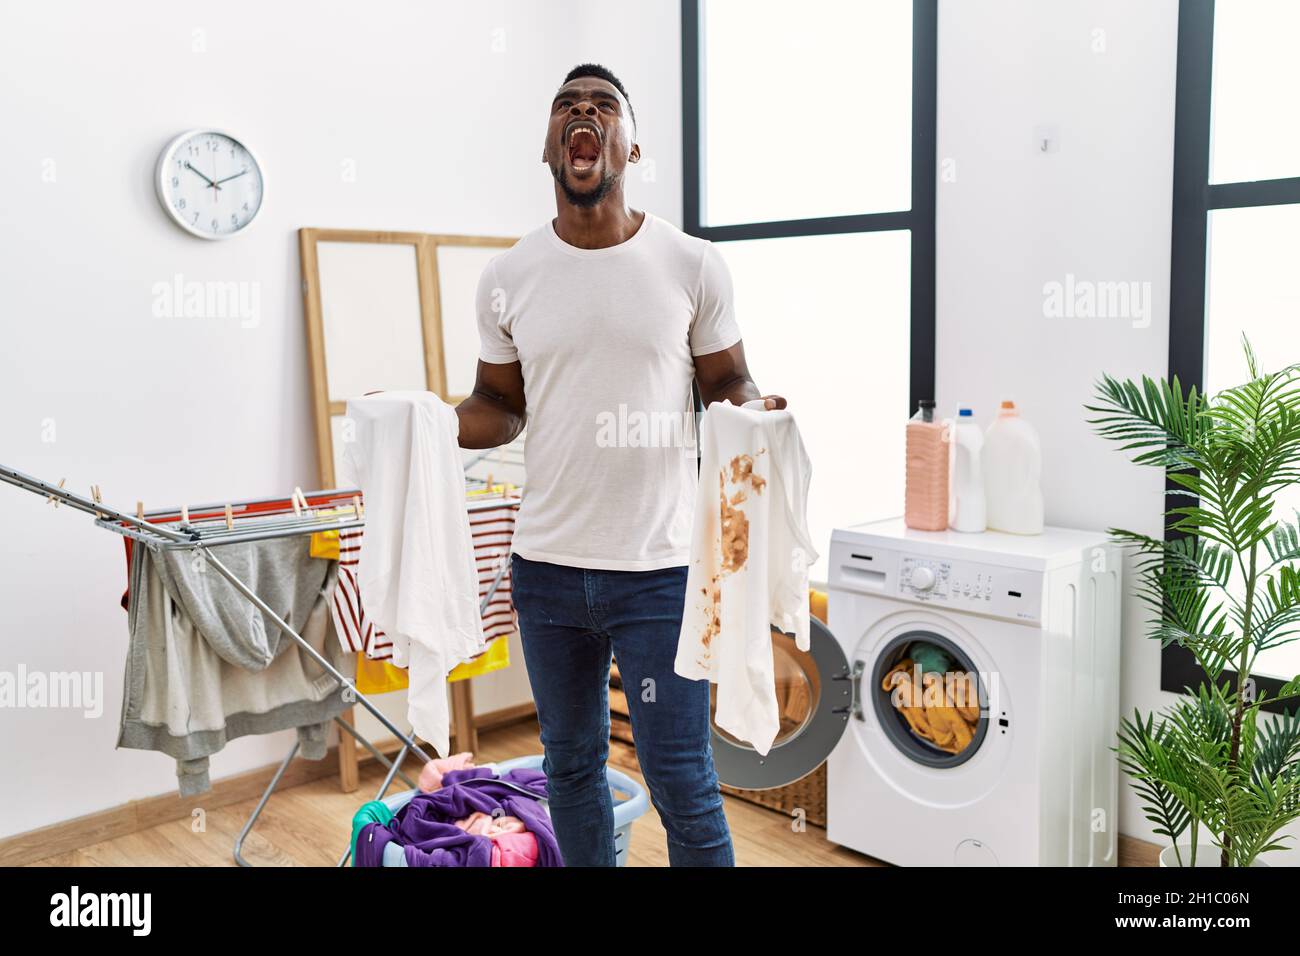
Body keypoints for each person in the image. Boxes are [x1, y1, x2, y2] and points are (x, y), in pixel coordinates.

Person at [455, 63, 786, 867]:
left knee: (681, 775)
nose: (584, 114)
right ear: (549, 148)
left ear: (630, 146)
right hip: (547, 571)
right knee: (570, 769)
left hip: (660, 573)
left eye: (604, 106)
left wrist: (753, 404)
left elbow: (725, 382)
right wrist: (429, 421)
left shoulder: (691, 264)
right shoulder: (508, 278)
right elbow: (499, 405)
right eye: (567, 105)